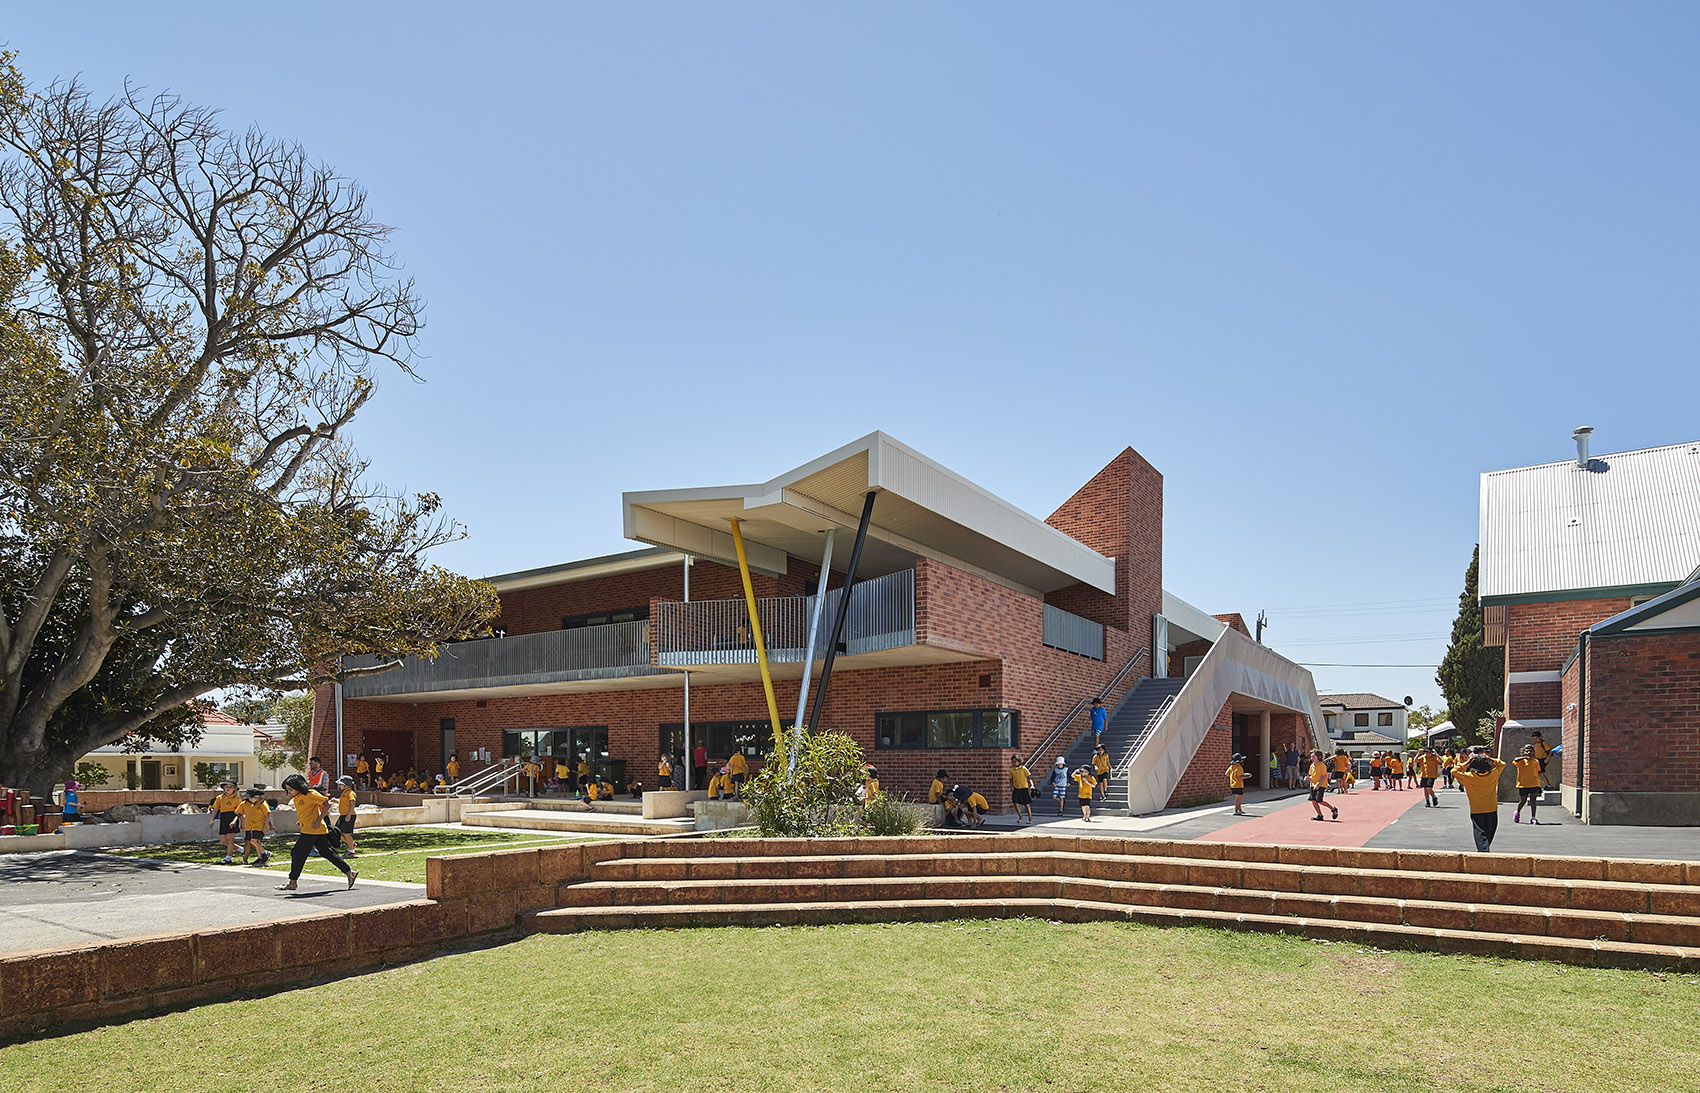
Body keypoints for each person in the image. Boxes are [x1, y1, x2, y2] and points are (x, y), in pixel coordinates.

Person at [275, 773, 356, 891]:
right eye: (287, 789)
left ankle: (292, 882)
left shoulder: (310, 794)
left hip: (312, 829)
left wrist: (319, 819)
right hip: (311, 828)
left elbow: (326, 803)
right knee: (327, 852)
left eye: (290, 788)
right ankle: (350, 872)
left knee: (297, 853)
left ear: (298, 786)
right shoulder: (298, 797)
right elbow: (307, 810)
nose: (289, 791)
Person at [1455, 748, 1508, 852]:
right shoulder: (1493, 775)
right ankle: (1484, 850)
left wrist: (1467, 762)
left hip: (1476, 809)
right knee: (1490, 832)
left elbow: (1454, 771)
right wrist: (1489, 758)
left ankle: (1483, 850)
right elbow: (1502, 764)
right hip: (1491, 808)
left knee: (1479, 832)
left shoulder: (1469, 777)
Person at [209, 779, 242, 864]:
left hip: (232, 817)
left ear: (234, 789)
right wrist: (212, 819)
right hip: (223, 817)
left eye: (230, 787)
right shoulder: (219, 798)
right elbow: (216, 809)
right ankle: (238, 848)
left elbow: (240, 812)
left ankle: (228, 857)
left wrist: (242, 822)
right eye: (226, 787)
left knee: (230, 838)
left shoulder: (237, 798)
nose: (228, 788)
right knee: (223, 841)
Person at [237, 789, 273, 866]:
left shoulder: (262, 804)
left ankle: (265, 853)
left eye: (251, 798)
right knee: (255, 842)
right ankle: (261, 857)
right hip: (251, 826)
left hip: (260, 826)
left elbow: (267, 814)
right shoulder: (251, 805)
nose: (250, 799)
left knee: (253, 841)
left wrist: (266, 826)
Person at [1512, 744, 1543, 825]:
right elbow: (1515, 760)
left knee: (1533, 800)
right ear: (1523, 752)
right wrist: (1524, 757)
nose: (1529, 752)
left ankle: (1533, 817)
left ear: (1533, 752)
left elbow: (1538, 771)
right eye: (1527, 751)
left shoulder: (1536, 761)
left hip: (1534, 783)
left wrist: (1538, 783)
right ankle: (1517, 812)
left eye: (1531, 751)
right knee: (1523, 800)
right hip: (1523, 784)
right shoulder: (1521, 761)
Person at [1307, 750, 1339, 822]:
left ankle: (1333, 809)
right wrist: (1309, 778)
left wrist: (1318, 784)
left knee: (1319, 800)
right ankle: (1320, 815)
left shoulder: (1322, 765)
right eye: (1311, 757)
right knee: (1313, 800)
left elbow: (1324, 776)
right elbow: (1311, 775)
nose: (1312, 758)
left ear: (1319, 757)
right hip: (1313, 785)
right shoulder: (1312, 766)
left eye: (1313, 757)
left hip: (1321, 785)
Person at [332, 775, 360, 856]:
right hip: (343, 815)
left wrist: (349, 815)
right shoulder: (344, 793)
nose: (339, 785)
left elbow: (352, 803)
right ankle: (351, 844)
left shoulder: (351, 793)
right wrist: (336, 801)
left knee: (346, 833)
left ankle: (351, 851)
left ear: (345, 784)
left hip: (348, 815)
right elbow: (345, 803)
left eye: (341, 784)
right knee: (338, 833)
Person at [1009, 756, 1034, 824]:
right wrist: (1011, 786)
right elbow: (1011, 780)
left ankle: (1030, 818)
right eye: (1012, 762)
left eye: (1015, 762)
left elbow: (1029, 777)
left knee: (1026, 803)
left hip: (1024, 788)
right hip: (1016, 789)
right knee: (1015, 803)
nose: (1013, 763)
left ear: (1019, 762)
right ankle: (1020, 817)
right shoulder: (1012, 770)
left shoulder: (1023, 769)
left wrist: (1031, 785)